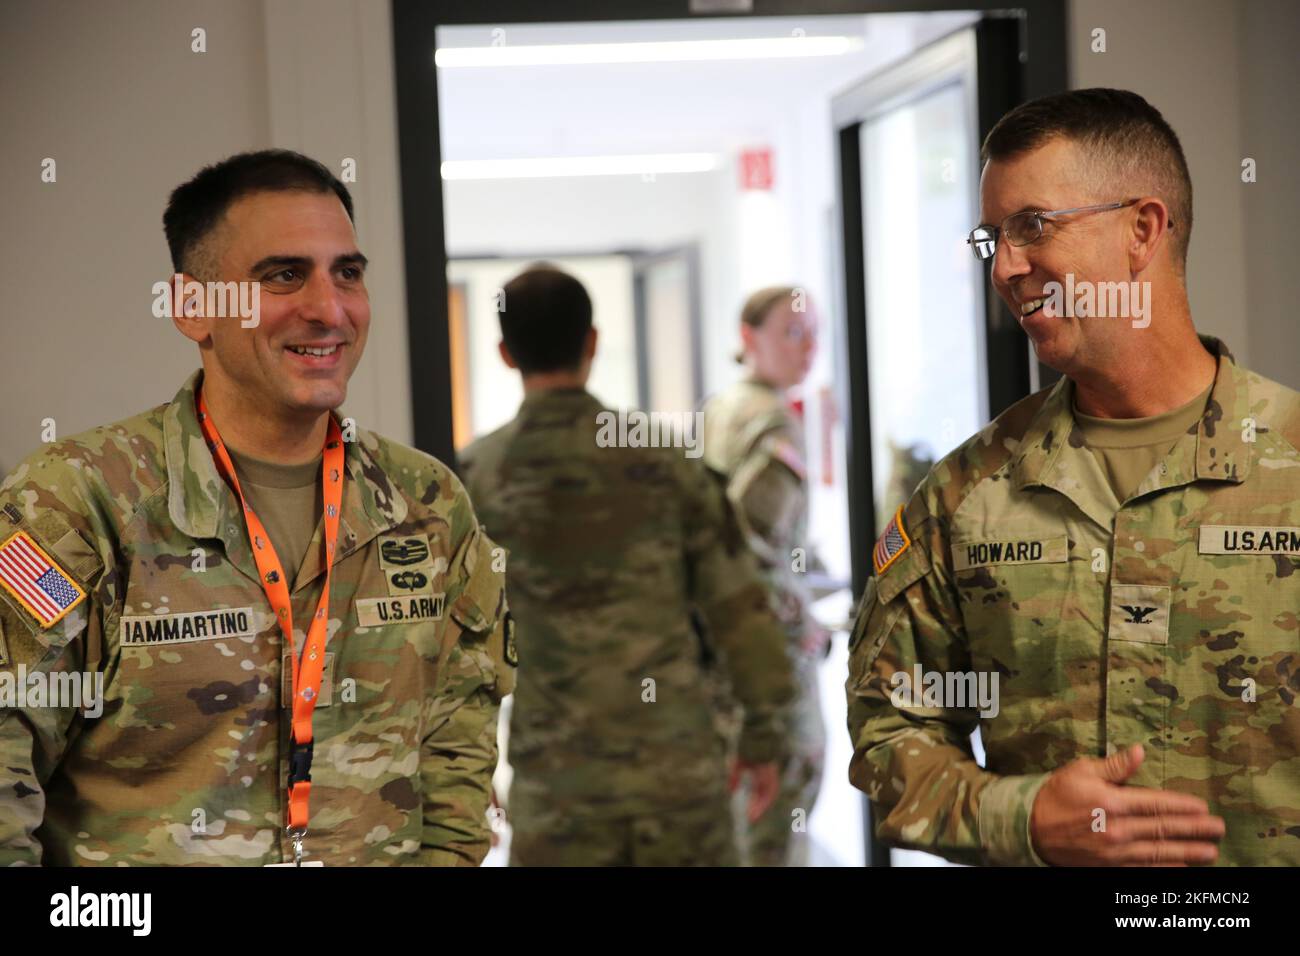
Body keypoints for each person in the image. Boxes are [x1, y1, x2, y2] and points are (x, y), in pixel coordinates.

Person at [0, 149, 513, 866]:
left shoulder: (426, 504)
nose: (329, 309)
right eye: (283, 275)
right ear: (192, 308)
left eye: (348, 273)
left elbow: (457, 759)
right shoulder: (77, 504)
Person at [846, 88, 1300, 866]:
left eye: (1033, 227)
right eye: (993, 237)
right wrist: (1017, 817)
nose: (1007, 267)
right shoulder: (967, 495)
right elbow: (891, 728)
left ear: (1142, 229)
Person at [459, 264, 794, 866]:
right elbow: (740, 607)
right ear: (593, 342)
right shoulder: (667, 462)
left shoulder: (473, 480)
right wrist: (764, 736)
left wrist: (462, 770)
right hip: (679, 782)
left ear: (505, 354)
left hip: (557, 791)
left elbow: (451, 646)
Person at [701, 286, 828, 867]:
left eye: (813, 333)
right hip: (769, 672)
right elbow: (751, 557)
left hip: (722, 665)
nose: (808, 347)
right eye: (792, 332)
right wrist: (807, 630)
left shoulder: (718, 409)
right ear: (748, 338)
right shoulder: (773, 422)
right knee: (778, 819)